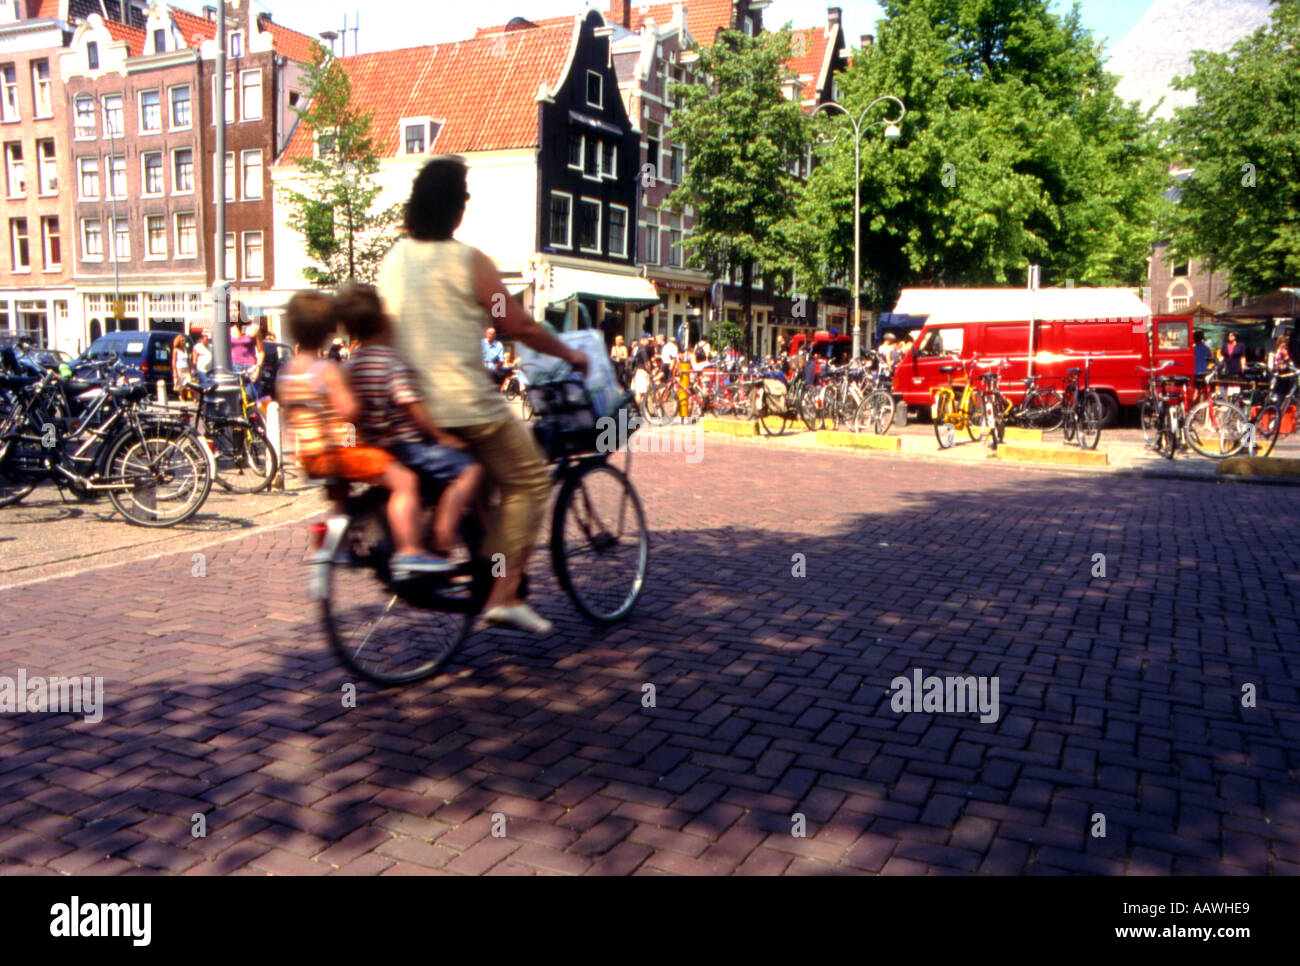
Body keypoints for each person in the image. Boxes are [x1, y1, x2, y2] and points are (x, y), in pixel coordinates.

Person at [376, 155, 588, 635]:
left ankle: (482, 559)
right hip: (464, 404)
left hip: (411, 406)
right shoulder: (470, 264)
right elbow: (513, 323)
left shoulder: (393, 260)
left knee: (488, 483)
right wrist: (569, 354)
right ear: (456, 208)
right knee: (531, 479)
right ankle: (501, 595)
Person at [276, 291, 450, 578]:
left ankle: (340, 543)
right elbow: (349, 409)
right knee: (405, 480)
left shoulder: (286, 372)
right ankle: (410, 550)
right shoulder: (326, 369)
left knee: (341, 495)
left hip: (308, 456)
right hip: (334, 453)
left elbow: (289, 412)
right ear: (327, 331)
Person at [338, 283, 484, 565]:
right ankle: (441, 540)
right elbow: (410, 404)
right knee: (470, 469)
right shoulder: (390, 362)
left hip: (376, 447)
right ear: (383, 322)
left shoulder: (350, 366)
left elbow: (348, 415)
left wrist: (353, 442)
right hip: (406, 444)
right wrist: (441, 436)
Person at [171, 334, 193, 400]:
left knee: (188, 383)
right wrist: (174, 371)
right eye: (182, 341)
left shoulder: (185, 350)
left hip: (186, 369)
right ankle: (181, 397)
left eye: (184, 341)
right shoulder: (176, 351)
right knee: (180, 385)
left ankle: (186, 396)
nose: (183, 342)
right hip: (179, 369)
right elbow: (173, 361)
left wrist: (191, 368)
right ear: (178, 342)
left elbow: (188, 360)